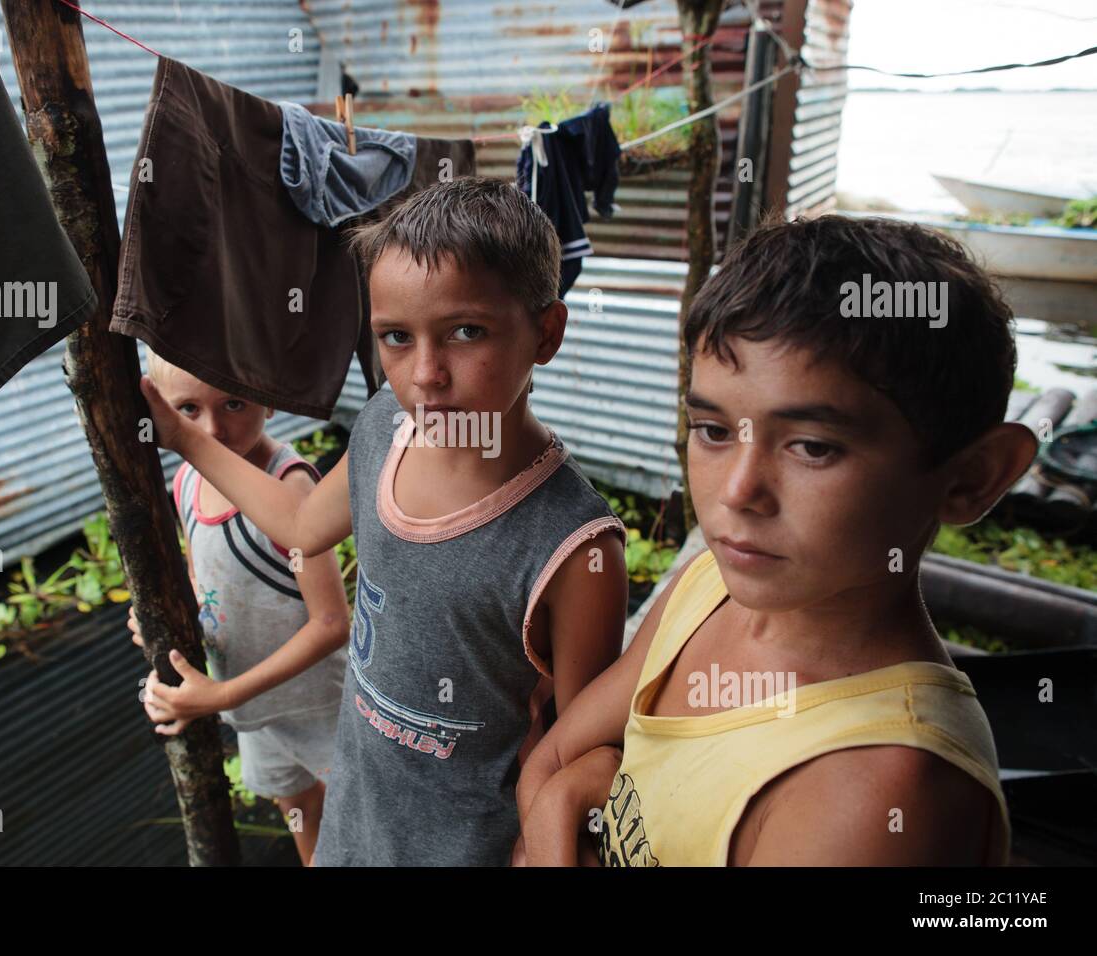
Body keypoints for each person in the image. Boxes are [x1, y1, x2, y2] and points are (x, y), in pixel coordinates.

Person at [516, 215, 1037, 866]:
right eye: (712, 429)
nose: (737, 492)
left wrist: (570, 799)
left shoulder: (878, 791)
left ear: (972, 478)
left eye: (813, 447)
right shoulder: (707, 587)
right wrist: (564, 790)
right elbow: (552, 762)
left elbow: (550, 793)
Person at [138, 176, 628, 865]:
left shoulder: (574, 547)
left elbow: (582, 742)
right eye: (396, 338)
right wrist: (186, 440)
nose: (425, 373)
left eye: (466, 332)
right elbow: (304, 522)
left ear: (546, 333)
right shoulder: (383, 430)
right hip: (355, 816)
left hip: (467, 847)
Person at [133, 350, 349, 866]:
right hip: (257, 713)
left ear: (269, 399)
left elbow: (332, 622)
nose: (213, 430)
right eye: (188, 410)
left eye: (234, 403)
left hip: (323, 710)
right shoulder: (186, 482)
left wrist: (222, 693)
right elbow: (199, 577)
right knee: (297, 808)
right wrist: (151, 616)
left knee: (356, 822)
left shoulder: (290, 485)